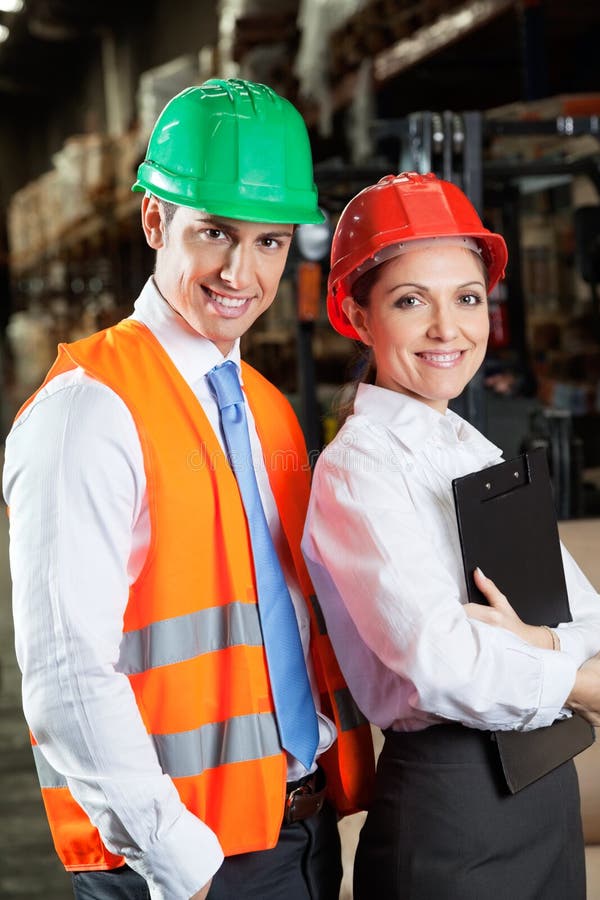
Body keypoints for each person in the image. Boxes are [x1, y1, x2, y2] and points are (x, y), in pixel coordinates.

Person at [3, 78, 374, 900]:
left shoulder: (269, 412)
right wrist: (181, 862)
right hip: (184, 861)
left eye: (270, 242)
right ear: (153, 221)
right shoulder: (87, 413)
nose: (242, 272)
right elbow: (67, 675)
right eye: (214, 233)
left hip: (300, 833)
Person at [302, 171, 600, 900]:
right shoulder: (357, 471)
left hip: (544, 790)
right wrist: (584, 679)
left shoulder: (471, 450)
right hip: (456, 807)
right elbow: (445, 663)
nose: (449, 329)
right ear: (356, 314)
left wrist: (534, 644)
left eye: (467, 298)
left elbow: (585, 616)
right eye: (411, 301)